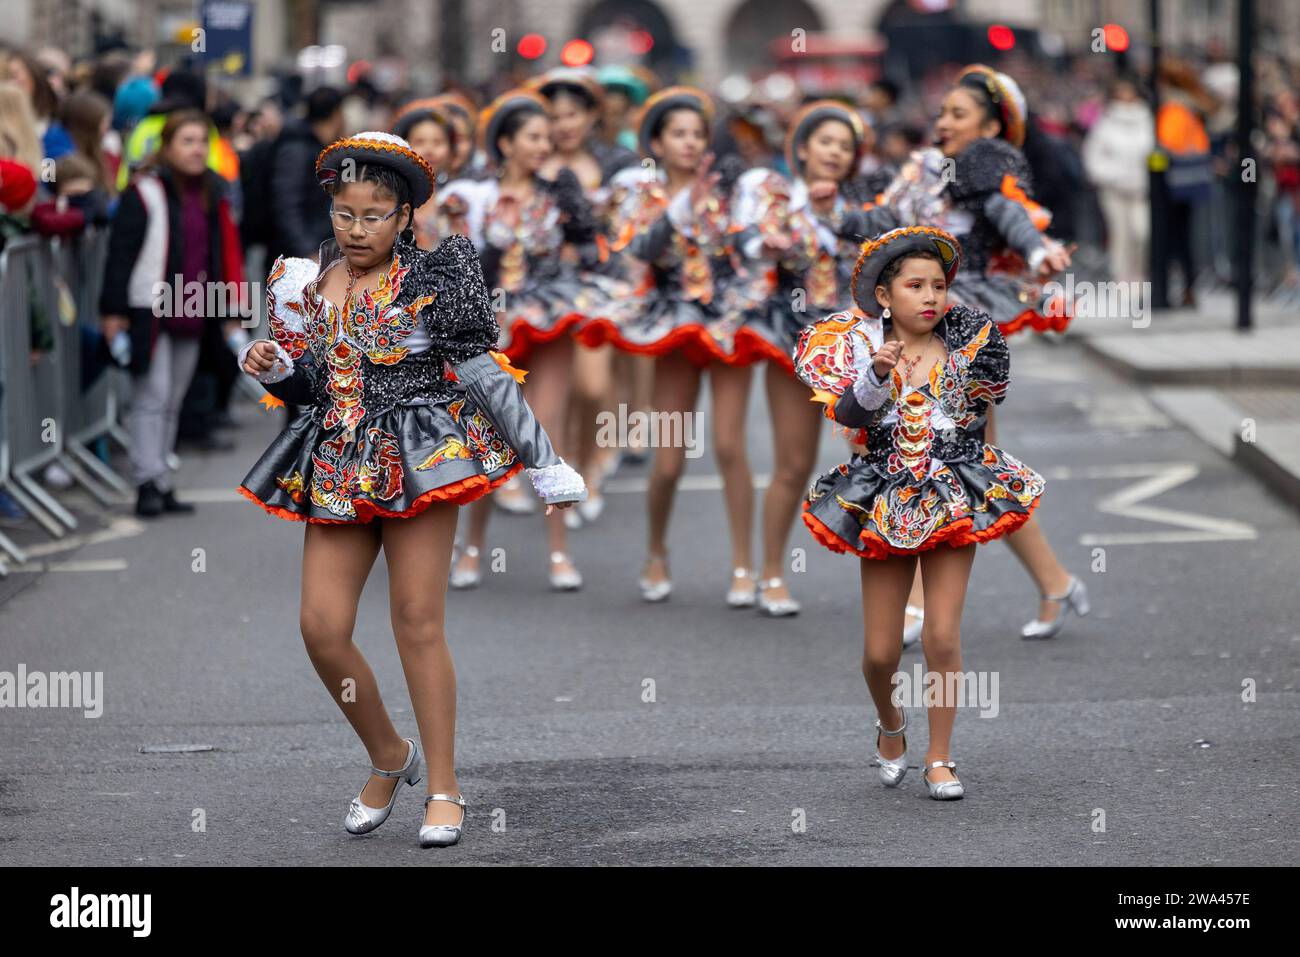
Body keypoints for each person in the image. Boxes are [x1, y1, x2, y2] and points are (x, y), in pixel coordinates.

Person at [235, 130, 586, 848]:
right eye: (345, 214)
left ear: (404, 218)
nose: (357, 229)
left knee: (417, 620)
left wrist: (544, 460)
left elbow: (485, 373)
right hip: (335, 457)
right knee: (321, 627)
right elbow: (312, 387)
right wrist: (274, 367)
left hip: (423, 455)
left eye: (374, 215)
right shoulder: (305, 284)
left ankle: (447, 786)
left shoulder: (435, 277)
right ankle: (389, 754)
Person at [793, 226, 1044, 799]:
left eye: (938, 286)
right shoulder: (861, 350)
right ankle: (889, 722)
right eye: (914, 286)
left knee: (942, 637)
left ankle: (940, 758)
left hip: (954, 493)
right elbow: (852, 416)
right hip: (882, 499)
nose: (930, 297)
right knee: (880, 653)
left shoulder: (969, 346)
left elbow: (980, 417)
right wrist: (879, 375)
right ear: (885, 297)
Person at [848, 65, 1088, 644]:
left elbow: (1011, 213)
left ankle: (917, 602)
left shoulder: (987, 160)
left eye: (957, 113)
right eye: (942, 113)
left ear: (989, 122)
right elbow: (879, 218)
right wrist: (830, 214)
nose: (944, 123)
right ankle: (1055, 581)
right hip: (910, 323)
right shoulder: (924, 171)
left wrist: (1039, 252)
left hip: (961, 328)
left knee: (938, 454)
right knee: (972, 464)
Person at [576, 86, 757, 605]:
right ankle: (656, 551)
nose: (690, 143)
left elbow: (747, 250)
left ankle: (746, 567)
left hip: (727, 323)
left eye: (698, 133)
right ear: (656, 140)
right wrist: (681, 209)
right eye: (678, 133)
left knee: (728, 446)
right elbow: (638, 250)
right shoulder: (641, 192)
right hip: (673, 325)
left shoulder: (730, 190)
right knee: (671, 458)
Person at [438, 88, 608, 591]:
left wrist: (577, 212)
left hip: (550, 319)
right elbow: (464, 271)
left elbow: (593, 254)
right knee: (489, 431)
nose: (544, 144)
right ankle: (472, 548)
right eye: (533, 136)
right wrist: (496, 238)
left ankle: (559, 552)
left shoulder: (558, 191)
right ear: (506, 144)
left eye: (547, 137)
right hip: (492, 326)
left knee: (544, 431)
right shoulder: (475, 198)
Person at [728, 99, 872, 615]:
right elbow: (745, 243)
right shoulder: (775, 195)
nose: (835, 152)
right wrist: (773, 235)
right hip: (794, 341)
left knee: (877, 463)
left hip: (862, 350)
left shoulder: (863, 205)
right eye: (825, 142)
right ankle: (769, 573)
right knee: (794, 463)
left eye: (845, 146)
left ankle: (897, 589)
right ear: (803, 148)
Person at [98, 109, 246, 517]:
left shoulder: (214, 192)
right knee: (153, 394)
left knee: (174, 397)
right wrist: (113, 312)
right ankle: (147, 480)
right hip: (150, 306)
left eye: (203, 141)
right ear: (167, 147)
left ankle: (161, 478)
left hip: (195, 307)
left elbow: (223, 254)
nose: (197, 149)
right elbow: (120, 254)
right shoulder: (145, 191)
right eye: (188, 141)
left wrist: (230, 309)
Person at [1082, 76, 1153, 283]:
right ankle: (1121, 278)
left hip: (1141, 189)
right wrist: (1110, 175)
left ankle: (1139, 273)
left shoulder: (1148, 120)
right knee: (1120, 235)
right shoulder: (1105, 122)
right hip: (1114, 190)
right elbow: (1093, 155)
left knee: (1141, 232)